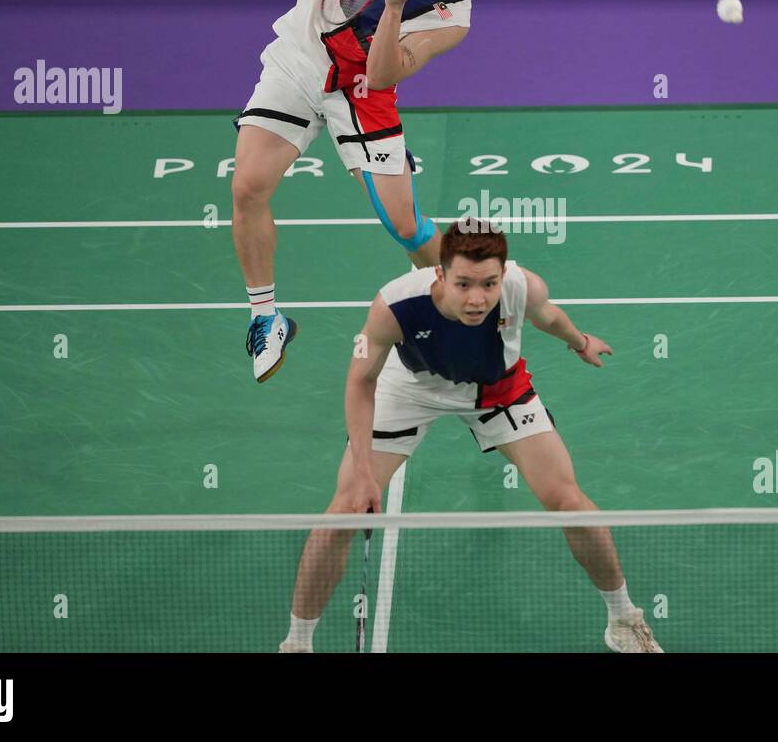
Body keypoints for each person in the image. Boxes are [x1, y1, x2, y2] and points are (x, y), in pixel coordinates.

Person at [232, 0, 541, 382]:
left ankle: (472, 315)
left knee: (405, 228)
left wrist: (397, 8)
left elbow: (382, 77)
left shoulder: (453, 17)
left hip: (361, 86)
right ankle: (266, 316)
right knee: (248, 186)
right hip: (305, 49)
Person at [280, 219, 663, 653]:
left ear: (503, 274)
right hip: (411, 387)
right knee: (344, 511)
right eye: (463, 283)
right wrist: (365, 474)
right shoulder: (395, 305)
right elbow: (359, 381)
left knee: (570, 502)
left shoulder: (523, 287)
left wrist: (580, 341)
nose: (477, 298)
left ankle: (623, 619)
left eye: (489, 283)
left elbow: (549, 316)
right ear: (440, 274)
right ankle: (296, 643)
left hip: (495, 389)